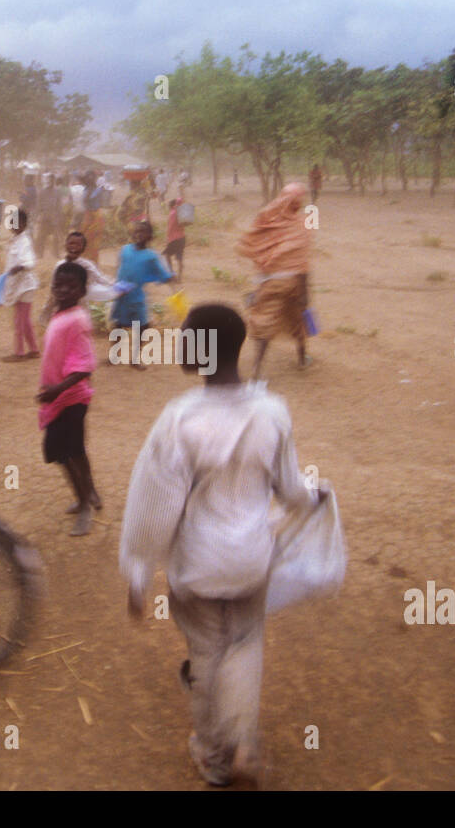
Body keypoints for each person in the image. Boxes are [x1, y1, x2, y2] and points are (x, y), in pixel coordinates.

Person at [119, 303, 326, 786]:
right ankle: (244, 741)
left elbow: (154, 510)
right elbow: (291, 488)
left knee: (208, 654)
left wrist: (136, 574)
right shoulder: (272, 411)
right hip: (253, 559)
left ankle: (215, 756)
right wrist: (314, 497)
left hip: (199, 567)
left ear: (197, 352)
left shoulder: (179, 420)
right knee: (246, 642)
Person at [38, 262, 101, 536]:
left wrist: (56, 390)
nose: (63, 290)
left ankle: (85, 504)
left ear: (83, 290)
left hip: (69, 399)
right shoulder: (60, 313)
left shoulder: (77, 320)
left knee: (63, 454)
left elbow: (85, 366)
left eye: (71, 286)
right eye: (58, 285)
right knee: (74, 451)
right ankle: (89, 493)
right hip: (64, 398)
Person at [236, 182, 312, 378]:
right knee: (298, 320)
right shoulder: (301, 224)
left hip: (269, 282)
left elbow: (254, 246)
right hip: (294, 284)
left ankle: (256, 368)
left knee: (263, 323)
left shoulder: (267, 219)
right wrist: (305, 294)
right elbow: (302, 264)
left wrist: (258, 286)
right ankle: (303, 358)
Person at [111, 221, 174, 368]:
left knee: (142, 327)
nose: (139, 234)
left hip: (137, 296)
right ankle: (114, 356)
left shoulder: (151, 256)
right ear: (132, 233)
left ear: (150, 236)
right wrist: (116, 284)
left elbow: (161, 273)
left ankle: (135, 359)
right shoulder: (125, 249)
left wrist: (170, 277)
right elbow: (119, 268)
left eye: (143, 232)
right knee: (118, 326)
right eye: (137, 231)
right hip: (121, 295)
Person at [40, 230, 118, 323]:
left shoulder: (87, 265)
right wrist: (47, 309)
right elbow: (53, 286)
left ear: (83, 248)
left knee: (82, 319)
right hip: (62, 300)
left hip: (79, 300)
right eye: (71, 243)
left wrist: (115, 284)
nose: (74, 247)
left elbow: (100, 278)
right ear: (65, 245)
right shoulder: (59, 265)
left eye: (78, 245)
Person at [1, 209, 41, 362]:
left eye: (18, 223)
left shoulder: (24, 241)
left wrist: (19, 267)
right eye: (12, 222)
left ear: (24, 224)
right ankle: (34, 350)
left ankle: (19, 353)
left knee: (20, 321)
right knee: (25, 321)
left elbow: (30, 262)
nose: (14, 226)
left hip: (26, 287)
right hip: (19, 286)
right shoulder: (15, 240)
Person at [36, 174, 61, 258]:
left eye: (51, 180)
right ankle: (39, 254)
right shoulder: (42, 192)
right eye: (48, 179)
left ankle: (56, 254)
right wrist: (39, 215)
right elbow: (38, 205)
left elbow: (59, 205)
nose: (49, 181)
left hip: (54, 218)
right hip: (45, 217)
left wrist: (58, 217)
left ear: (53, 181)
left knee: (56, 238)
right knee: (41, 237)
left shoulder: (57, 192)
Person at [164, 197, 187, 281]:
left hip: (174, 238)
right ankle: (180, 278)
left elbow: (170, 227)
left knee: (167, 255)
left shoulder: (173, 213)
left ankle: (172, 275)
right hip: (182, 237)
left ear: (173, 205)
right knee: (180, 258)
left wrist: (167, 238)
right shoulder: (183, 214)